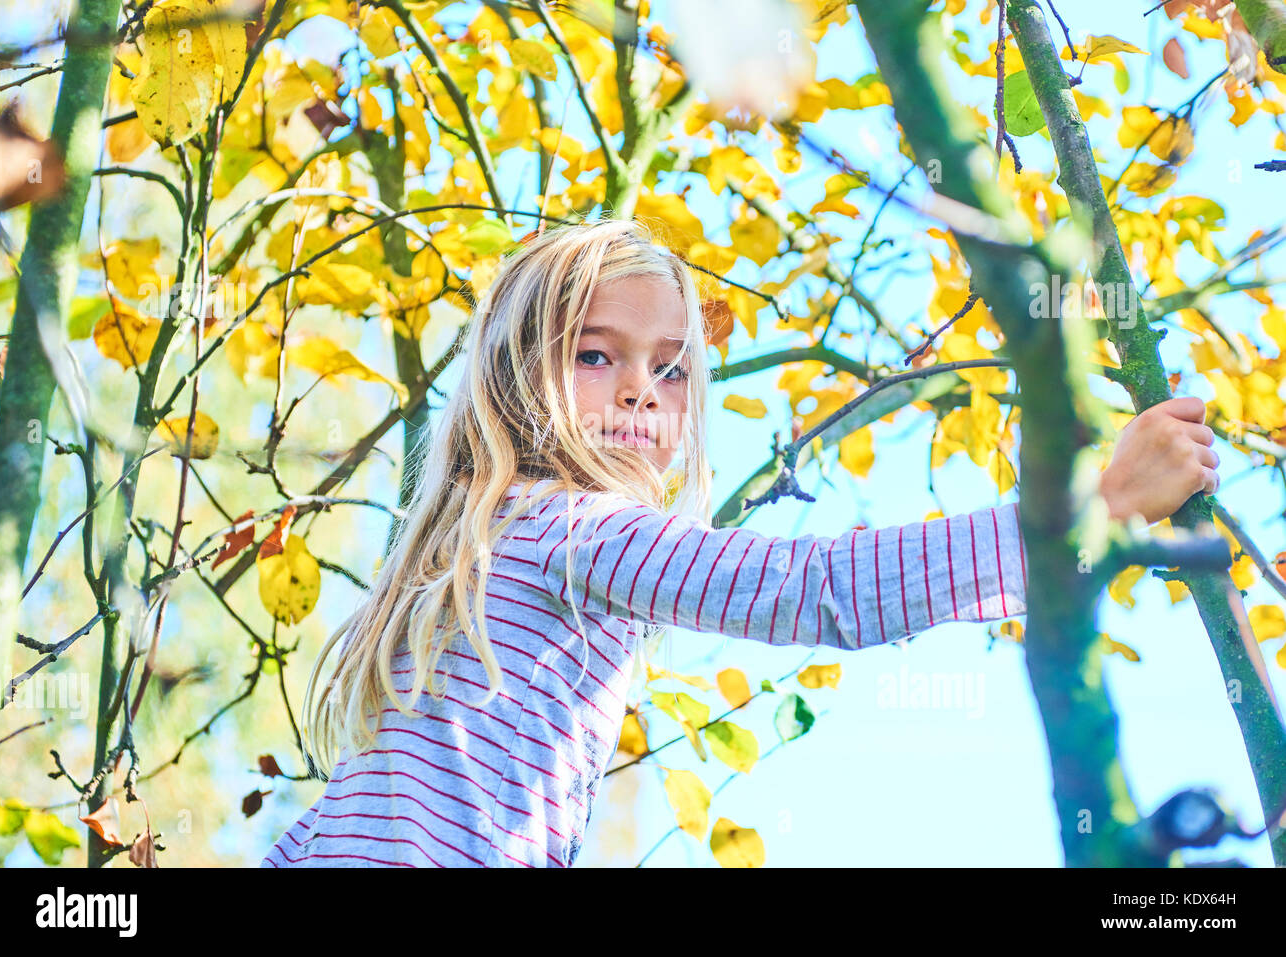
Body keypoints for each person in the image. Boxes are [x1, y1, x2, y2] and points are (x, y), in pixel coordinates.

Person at [259, 217, 1220, 868]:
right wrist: (1096, 506)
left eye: (671, 370)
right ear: (518, 374)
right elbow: (820, 589)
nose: (641, 390)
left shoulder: (472, 551)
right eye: (597, 355)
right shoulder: (570, 530)